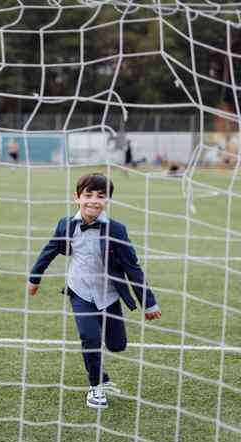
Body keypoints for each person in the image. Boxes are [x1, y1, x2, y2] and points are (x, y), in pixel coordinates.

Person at [27, 173, 161, 409]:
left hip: (109, 295)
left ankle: (104, 378)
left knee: (117, 344)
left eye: (101, 196)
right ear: (77, 197)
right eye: (88, 195)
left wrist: (149, 303)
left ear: (108, 200)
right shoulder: (66, 224)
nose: (93, 201)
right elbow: (49, 250)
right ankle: (96, 387)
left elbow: (133, 267)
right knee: (90, 337)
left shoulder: (117, 230)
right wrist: (35, 278)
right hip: (80, 292)